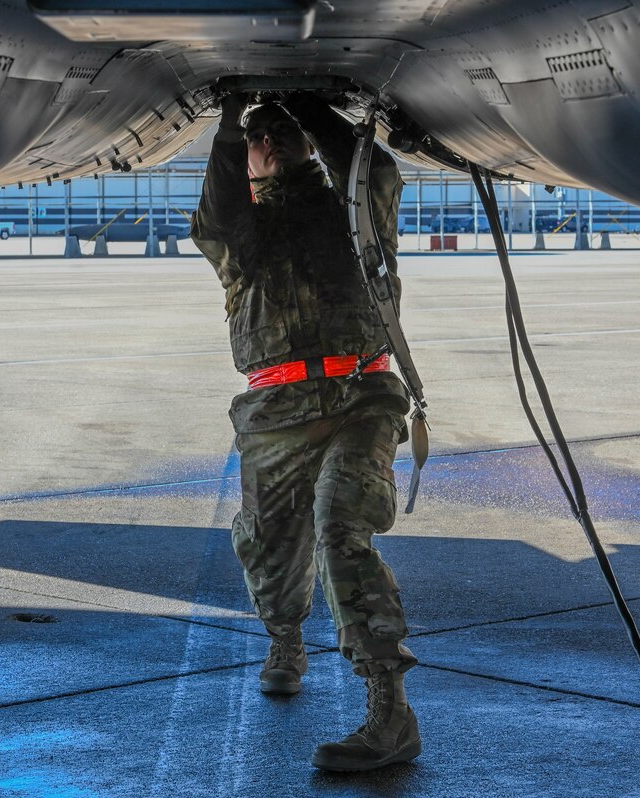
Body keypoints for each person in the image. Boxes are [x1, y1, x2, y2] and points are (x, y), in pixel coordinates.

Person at [190, 91, 421, 772]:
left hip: (361, 395)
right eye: (260, 138)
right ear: (248, 159)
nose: (273, 140)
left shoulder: (351, 213)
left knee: (340, 524)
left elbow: (373, 171)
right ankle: (284, 636)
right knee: (268, 549)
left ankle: (389, 711)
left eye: (283, 132)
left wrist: (311, 108)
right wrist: (234, 121)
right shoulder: (239, 233)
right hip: (275, 413)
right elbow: (217, 206)